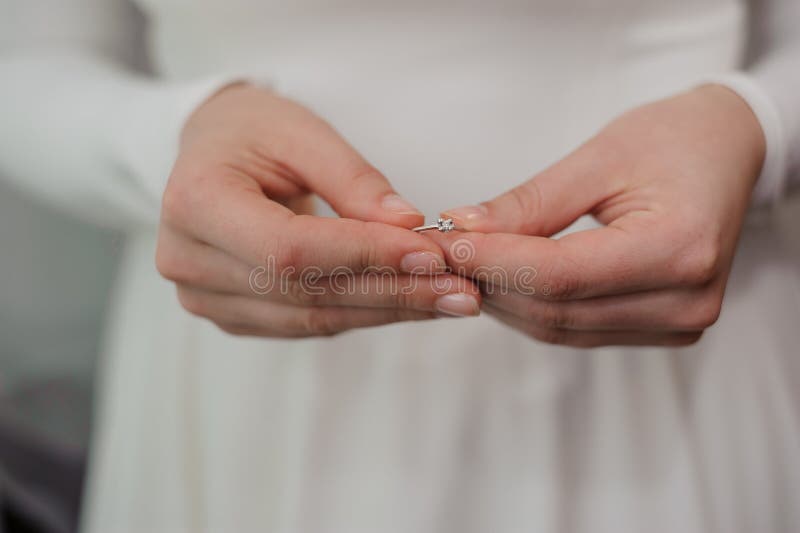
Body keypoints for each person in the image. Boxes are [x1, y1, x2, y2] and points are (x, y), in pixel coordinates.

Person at [1, 0, 798, 531]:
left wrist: (760, 127)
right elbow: (29, 53)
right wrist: (165, 144)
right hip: (242, 379)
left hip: (672, 379)